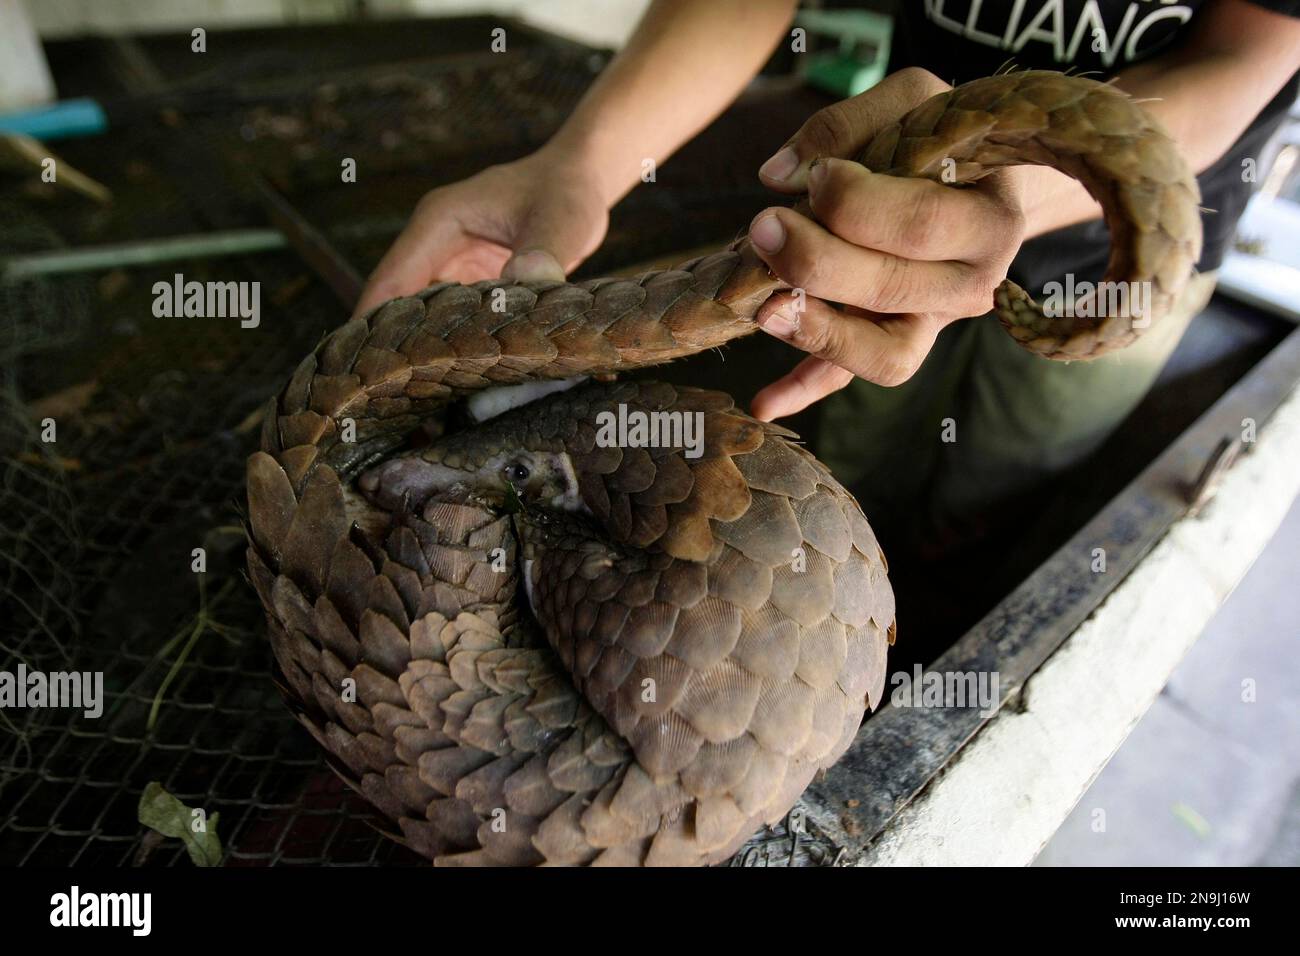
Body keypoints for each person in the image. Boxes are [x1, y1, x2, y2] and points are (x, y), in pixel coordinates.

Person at [353, 0, 1300, 547]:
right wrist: (584, 163)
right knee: (852, 442)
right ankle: (873, 572)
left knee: (1012, 464)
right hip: (892, 198)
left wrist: (1008, 183)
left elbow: (1240, 57)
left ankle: (946, 596)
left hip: (1116, 251)